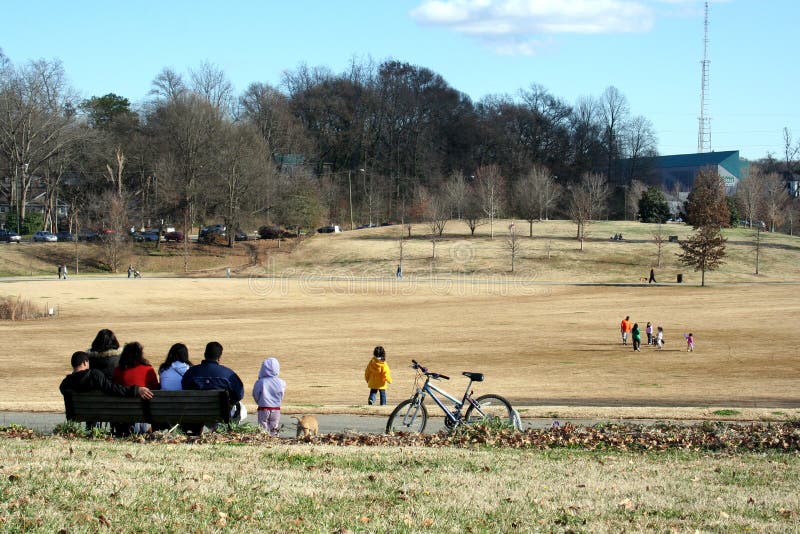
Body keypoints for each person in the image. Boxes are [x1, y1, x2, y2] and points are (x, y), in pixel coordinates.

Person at [181, 341, 245, 433]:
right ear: (219, 357)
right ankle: (226, 432)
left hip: (196, 412)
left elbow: (185, 389)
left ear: (204, 354)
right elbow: (239, 394)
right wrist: (231, 402)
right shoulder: (227, 374)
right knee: (240, 408)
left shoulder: (191, 373)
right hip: (221, 413)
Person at [60, 351, 153, 399]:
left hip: (79, 414)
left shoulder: (65, 384)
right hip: (98, 413)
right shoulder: (94, 375)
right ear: (85, 362)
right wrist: (136, 389)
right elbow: (113, 388)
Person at [112, 342, 160, 434]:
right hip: (143, 416)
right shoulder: (147, 369)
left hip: (121, 415)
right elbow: (156, 389)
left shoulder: (118, 371)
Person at [252, 357, 286, 436]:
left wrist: (259, 402)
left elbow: (255, 394)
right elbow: (281, 395)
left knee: (262, 428)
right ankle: (274, 441)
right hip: (276, 409)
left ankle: (264, 442)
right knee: (274, 427)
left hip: (263, 408)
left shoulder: (260, 382)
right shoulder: (282, 382)